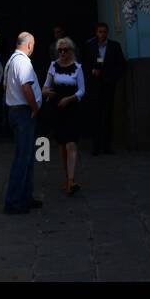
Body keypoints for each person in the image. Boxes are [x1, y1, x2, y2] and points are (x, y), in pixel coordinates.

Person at [2, 32, 42, 215]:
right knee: (22, 158)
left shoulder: (11, 61)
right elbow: (26, 87)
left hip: (15, 111)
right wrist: (34, 107)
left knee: (26, 156)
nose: (33, 48)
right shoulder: (23, 61)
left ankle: (26, 196)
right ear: (28, 45)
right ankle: (14, 200)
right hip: (23, 112)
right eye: (33, 45)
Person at [42, 38, 84, 196]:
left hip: (72, 109)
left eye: (65, 50)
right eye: (60, 50)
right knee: (62, 146)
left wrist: (70, 98)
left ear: (71, 50)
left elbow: (82, 90)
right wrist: (46, 92)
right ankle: (67, 178)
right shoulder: (53, 66)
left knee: (71, 144)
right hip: (57, 108)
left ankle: (72, 180)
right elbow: (45, 86)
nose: (63, 53)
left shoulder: (78, 68)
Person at [82, 23, 126, 155]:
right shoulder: (89, 46)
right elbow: (84, 64)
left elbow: (121, 65)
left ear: (108, 33)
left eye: (104, 32)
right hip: (94, 87)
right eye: (100, 31)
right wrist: (91, 72)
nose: (102, 34)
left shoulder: (114, 46)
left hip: (108, 86)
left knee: (108, 116)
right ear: (96, 32)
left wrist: (112, 77)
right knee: (95, 116)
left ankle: (107, 146)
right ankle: (96, 147)